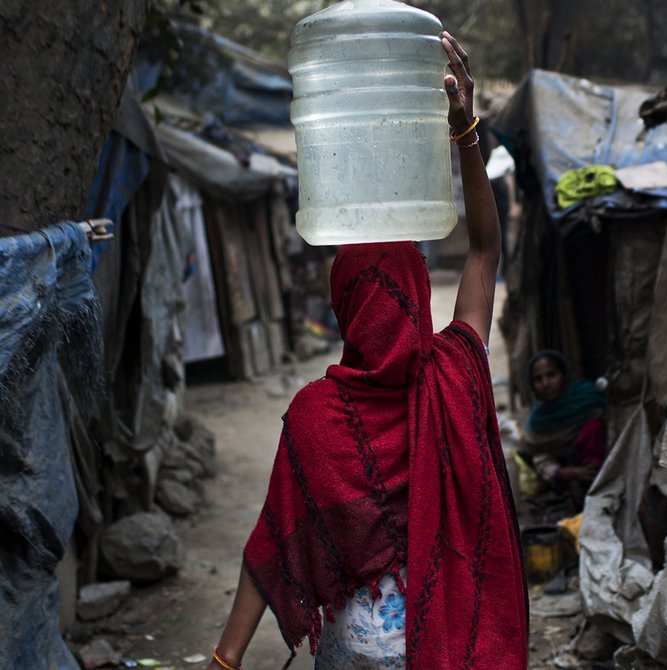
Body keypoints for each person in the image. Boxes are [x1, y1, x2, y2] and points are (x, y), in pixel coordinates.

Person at [205, 32, 527, 670]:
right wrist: (465, 132)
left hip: (355, 650)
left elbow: (275, 537)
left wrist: (226, 658)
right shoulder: (455, 373)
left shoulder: (313, 415)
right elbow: (485, 250)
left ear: (345, 310)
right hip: (447, 641)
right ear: (417, 297)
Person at [522, 351, 608, 502]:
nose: (546, 383)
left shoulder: (589, 397)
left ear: (564, 375)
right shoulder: (538, 421)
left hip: (608, 472)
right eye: (538, 379)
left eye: (551, 375)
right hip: (571, 487)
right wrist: (569, 473)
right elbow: (541, 458)